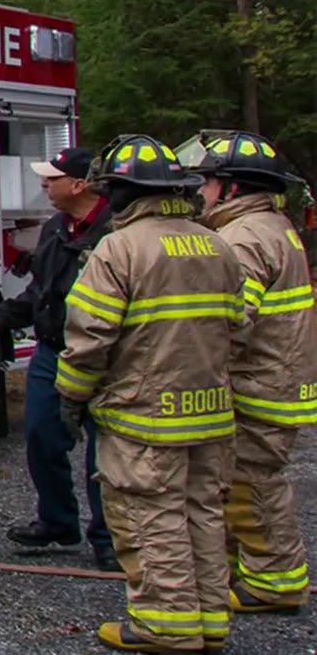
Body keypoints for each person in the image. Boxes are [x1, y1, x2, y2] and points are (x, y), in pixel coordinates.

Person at [55, 134, 245, 653]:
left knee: (150, 516)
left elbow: (89, 338)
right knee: (201, 512)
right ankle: (208, 620)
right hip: (209, 412)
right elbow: (239, 323)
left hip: (145, 416)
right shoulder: (216, 244)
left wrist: (70, 398)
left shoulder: (120, 249)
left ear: (123, 192)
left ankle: (166, 626)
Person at [0, 146, 118, 572]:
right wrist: (2, 317)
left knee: (104, 450)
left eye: (52, 178)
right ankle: (57, 522)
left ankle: (107, 537)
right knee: (40, 435)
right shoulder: (56, 228)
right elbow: (42, 291)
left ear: (79, 184)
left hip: (101, 355)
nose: (43, 184)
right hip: (53, 351)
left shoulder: (115, 233)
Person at [189, 131, 316, 615]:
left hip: (257, 385)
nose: (202, 191)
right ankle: (256, 571)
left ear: (232, 188)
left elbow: (230, 320)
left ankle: (274, 583)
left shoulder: (242, 238)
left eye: (208, 182)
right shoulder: (274, 225)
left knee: (252, 484)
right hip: (276, 378)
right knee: (253, 479)